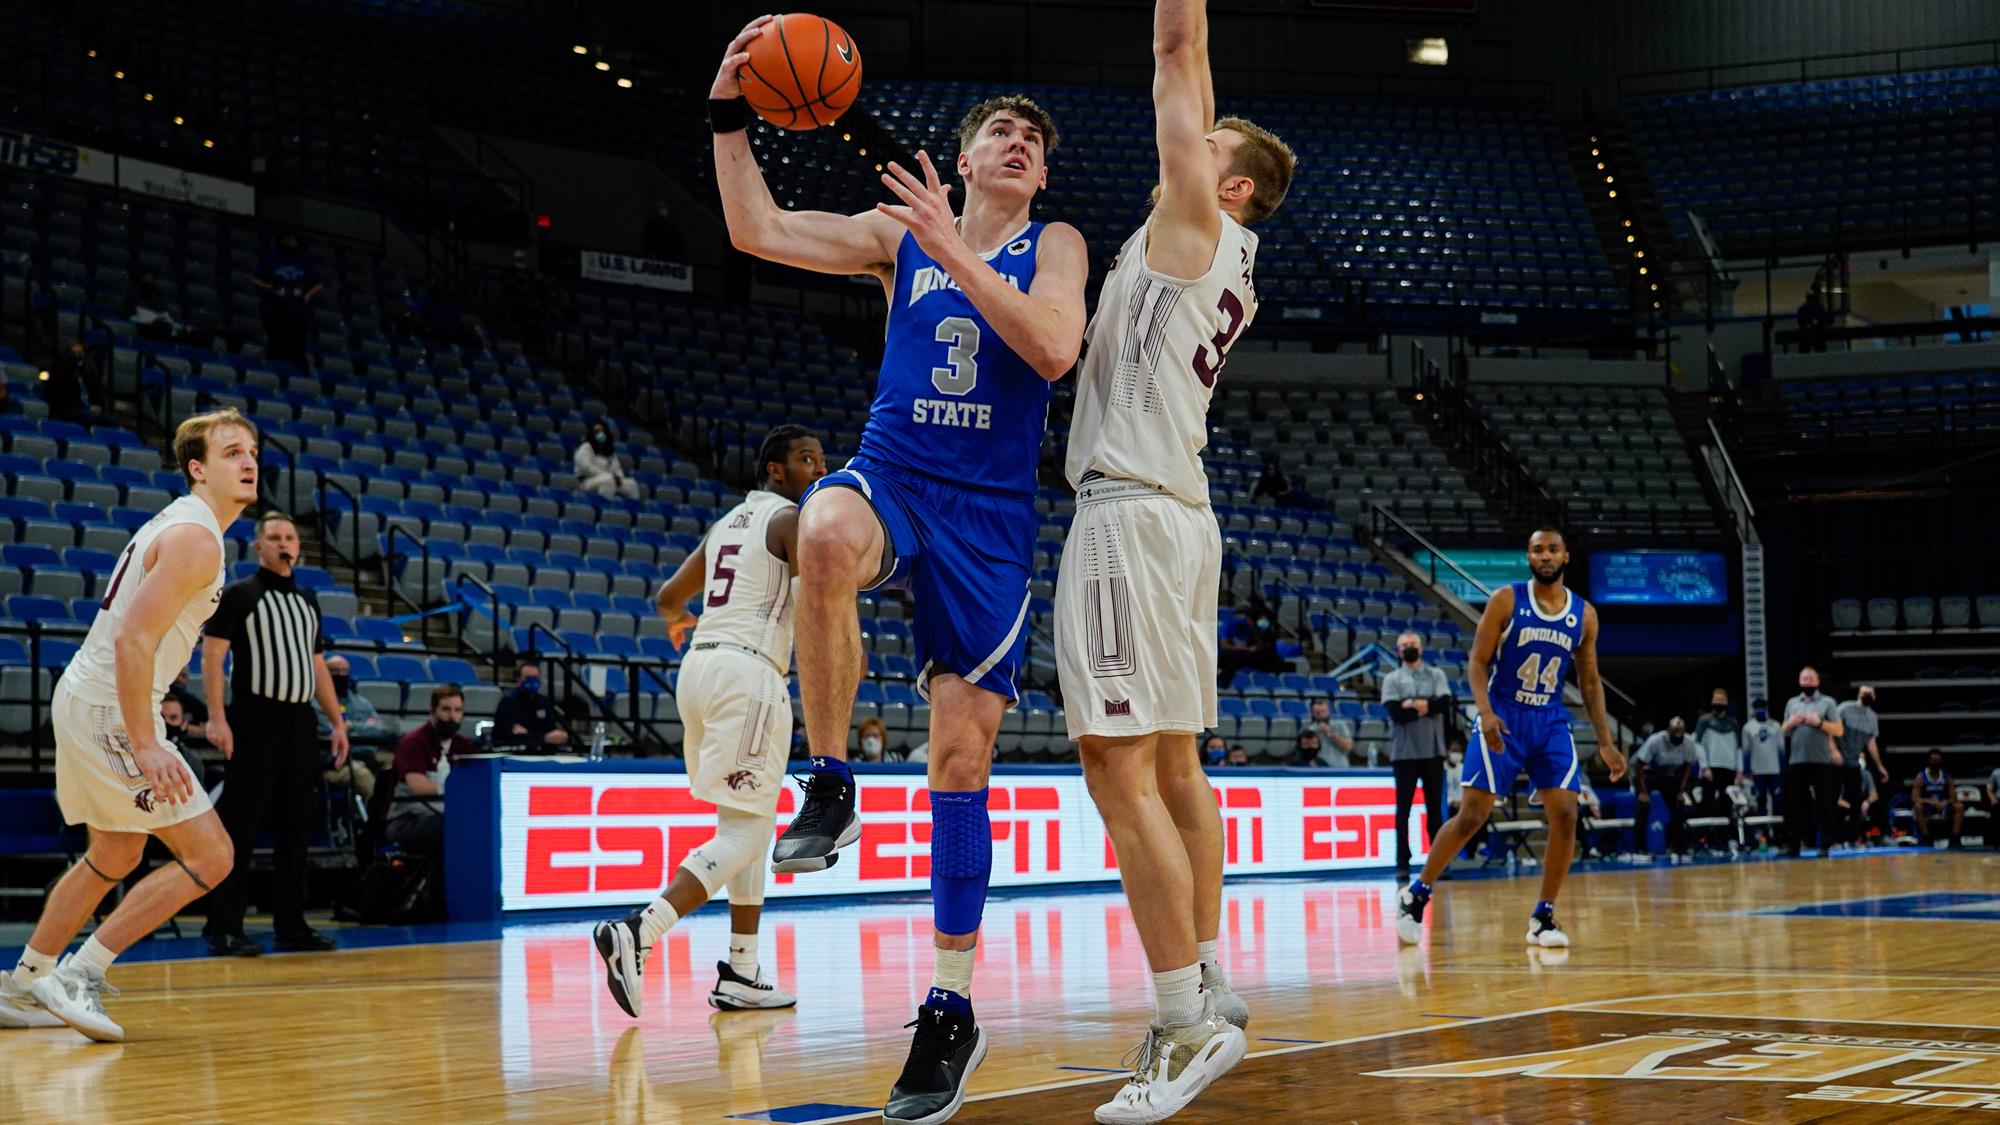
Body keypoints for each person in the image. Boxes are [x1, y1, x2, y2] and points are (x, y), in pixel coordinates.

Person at [710, 14, 1091, 1119]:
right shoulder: (896, 235)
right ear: (962, 158)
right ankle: (830, 780)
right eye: (1000, 133)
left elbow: (1052, 348)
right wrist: (726, 112)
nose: (1018, 144)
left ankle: (949, 1006)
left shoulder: (1054, 243)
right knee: (821, 531)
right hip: (894, 471)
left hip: (989, 514)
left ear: (1039, 175)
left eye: (1032, 140)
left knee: (960, 763)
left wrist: (954, 248)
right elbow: (753, 228)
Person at [1057, 5, 1295, 1117]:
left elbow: (1176, 52)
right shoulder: (1212, 247)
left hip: (1129, 515)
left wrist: (1180, 38)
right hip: (1180, 515)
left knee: (1116, 769)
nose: (1186, 144)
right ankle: (1205, 971)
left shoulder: (1195, 221)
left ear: (1228, 184)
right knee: (1173, 764)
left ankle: (1182, 1021)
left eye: (1207, 145)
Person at [0, 411, 257, 1042]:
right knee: (212, 856)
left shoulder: (182, 523)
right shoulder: (197, 538)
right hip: (111, 708)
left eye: (251, 451)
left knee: (116, 851)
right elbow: (134, 638)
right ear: (198, 468)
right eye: (231, 452)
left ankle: (24, 981)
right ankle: (79, 974)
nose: (248, 462)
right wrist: (145, 742)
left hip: (87, 695)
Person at [593, 425, 825, 1019]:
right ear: (776, 470)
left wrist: (679, 621)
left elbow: (668, 599)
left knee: (747, 826)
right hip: (749, 673)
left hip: (699, 670)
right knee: (746, 835)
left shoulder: (726, 524)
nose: (820, 471)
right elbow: (818, 607)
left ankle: (743, 971)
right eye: (807, 460)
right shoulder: (790, 521)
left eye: (823, 461)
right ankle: (640, 930)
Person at [1397, 528, 1625, 950]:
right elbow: (1477, 662)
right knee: (1472, 815)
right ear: (1529, 556)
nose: (1545, 555)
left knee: (1566, 814)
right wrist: (1485, 713)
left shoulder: (1584, 614)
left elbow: (1590, 682)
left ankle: (1543, 916)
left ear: (1566, 556)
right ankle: (1417, 893)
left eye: (1553, 549)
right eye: (1538, 549)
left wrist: (1606, 742)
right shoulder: (1507, 600)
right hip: (1504, 714)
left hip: (1549, 719)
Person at [201, 511, 348, 957]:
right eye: (275, 537)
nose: (284, 544)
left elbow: (316, 665)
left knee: (296, 827)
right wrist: (216, 716)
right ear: (258, 547)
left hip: (299, 722)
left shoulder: (307, 601)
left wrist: (337, 721)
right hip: (253, 718)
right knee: (239, 825)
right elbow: (213, 656)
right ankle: (225, 926)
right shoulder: (240, 595)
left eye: (290, 537)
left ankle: (292, 925)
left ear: (298, 547)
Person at [1380, 631, 1452, 879]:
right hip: (1404, 755)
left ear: (1421, 648)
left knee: (1435, 811)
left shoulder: (1437, 674)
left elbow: (1444, 704)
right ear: (1398, 651)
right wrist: (1426, 706)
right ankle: (1402, 863)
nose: (1409, 647)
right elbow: (1396, 713)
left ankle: (1438, 863)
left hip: (1433, 752)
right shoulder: (1391, 679)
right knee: (1403, 811)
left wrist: (1412, 704)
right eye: (1404, 645)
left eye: (1413, 644)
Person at [388, 686, 477, 851]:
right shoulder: (413, 743)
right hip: (408, 819)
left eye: (458, 710)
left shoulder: (464, 745)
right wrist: (456, 788)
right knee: (455, 826)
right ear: (432, 711)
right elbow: (418, 787)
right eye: (446, 709)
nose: (452, 716)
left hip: (449, 814)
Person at [1781, 666, 1846, 858]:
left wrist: (1819, 723)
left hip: (1821, 761)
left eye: (1811, 678)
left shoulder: (1828, 703)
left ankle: (1825, 844)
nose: (1807, 681)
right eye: (1804, 678)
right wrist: (1791, 722)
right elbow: (1782, 731)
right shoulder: (1792, 703)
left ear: (1817, 682)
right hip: (1797, 760)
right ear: (1799, 681)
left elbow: (1839, 730)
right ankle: (1794, 845)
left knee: (1824, 803)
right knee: (1795, 804)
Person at [252, 230, 322, 371]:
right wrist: (268, 287)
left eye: (293, 240)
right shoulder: (271, 259)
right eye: (288, 240)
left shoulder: (304, 260)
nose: (291, 243)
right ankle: (273, 370)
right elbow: (255, 279)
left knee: (298, 345)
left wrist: (308, 295)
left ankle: (300, 373)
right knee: (276, 342)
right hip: (275, 308)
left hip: (297, 310)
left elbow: (318, 283)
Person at [1632, 717, 1699, 858]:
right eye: (1675, 734)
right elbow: (1639, 765)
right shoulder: (1656, 740)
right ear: (1668, 731)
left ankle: (1678, 847)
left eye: (1680, 734)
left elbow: (1687, 767)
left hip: (1669, 775)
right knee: (1643, 805)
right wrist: (1643, 792)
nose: (1677, 737)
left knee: (1678, 805)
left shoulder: (1688, 742)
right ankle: (1640, 849)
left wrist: (1680, 792)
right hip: (1647, 774)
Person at [1834, 684, 1889, 849]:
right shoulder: (1845, 708)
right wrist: (1833, 752)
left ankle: (1853, 840)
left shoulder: (1872, 717)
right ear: (1858, 694)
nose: (1867, 696)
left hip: (1853, 764)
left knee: (1857, 801)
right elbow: (1831, 730)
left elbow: (1871, 742)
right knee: (1832, 800)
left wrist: (1879, 766)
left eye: (1870, 694)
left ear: (1874, 697)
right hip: (1837, 762)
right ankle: (1834, 840)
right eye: (1864, 693)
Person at [493, 662, 569, 750]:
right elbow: (513, 735)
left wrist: (557, 736)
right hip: (512, 750)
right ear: (518, 679)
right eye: (528, 677)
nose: (532, 681)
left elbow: (551, 729)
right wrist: (544, 738)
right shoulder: (508, 701)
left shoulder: (544, 702)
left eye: (535, 678)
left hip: (540, 750)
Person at [1693, 688, 1741, 818]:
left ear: (1727, 702)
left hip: (1729, 768)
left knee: (1726, 804)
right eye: (1717, 700)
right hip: (1711, 768)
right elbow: (1698, 745)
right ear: (1712, 702)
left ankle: (1725, 830)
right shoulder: (1704, 720)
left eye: (1722, 700)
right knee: (1707, 803)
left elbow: (1738, 748)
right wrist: (1704, 767)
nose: (1719, 703)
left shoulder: (1733, 722)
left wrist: (1739, 769)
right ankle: (1706, 830)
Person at [1217, 600, 1285, 688]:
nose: (1244, 617)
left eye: (1246, 614)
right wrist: (1247, 649)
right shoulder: (1228, 626)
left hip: (1243, 655)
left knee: (1267, 657)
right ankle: (1221, 680)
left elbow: (1260, 647)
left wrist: (1253, 629)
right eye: (1241, 614)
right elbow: (1224, 646)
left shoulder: (1249, 629)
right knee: (1235, 658)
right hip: (1226, 655)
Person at [575, 421, 642, 501]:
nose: (600, 434)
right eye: (597, 431)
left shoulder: (610, 452)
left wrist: (619, 478)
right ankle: (606, 506)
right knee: (608, 479)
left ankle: (631, 507)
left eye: (602, 431)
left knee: (632, 484)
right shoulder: (586, 448)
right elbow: (587, 468)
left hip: (610, 479)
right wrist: (608, 476)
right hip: (587, 481)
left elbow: (617, 469)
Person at [42, 341, 105, 426]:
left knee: (111, 420)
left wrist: (98, 407)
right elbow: (59, 398)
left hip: (87, 409)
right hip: (67, 409)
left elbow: (98, 396)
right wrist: (86, 408)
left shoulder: (89, 374)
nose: (77, 355)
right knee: (86, 416)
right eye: (73, 353)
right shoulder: (60, 371)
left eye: (80, 353)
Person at [1911, 750, 1962, 848]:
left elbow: (1954, 798)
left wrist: (1945, 802)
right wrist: (1930, 802)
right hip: (1927, 807)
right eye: (1933, 760)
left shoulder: (1946, 777)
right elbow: (1914, 798)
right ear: (1929, 761)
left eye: (1937, 761)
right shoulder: (1921, 776)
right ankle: (1927, 837)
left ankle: (1954, 837)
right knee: (1917, 807)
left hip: (1943, 806)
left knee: (1959, 807)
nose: (1935, 763)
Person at [1740, 697, 1782, 815]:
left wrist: (1783, 768)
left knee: (1778, 800)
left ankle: (1778, 826)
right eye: (1757, 707)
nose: (1760, 710)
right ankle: (1762, 826)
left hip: (1774, 770)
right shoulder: (1748, 727)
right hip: (1757, 770)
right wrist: (1746, 771)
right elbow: (1746, 751)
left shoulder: (1776, 726)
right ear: (1754, 709)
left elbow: (1781, 749)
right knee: (1760, 800)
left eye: (1762, 707)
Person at [1304, 698, 1356, 764]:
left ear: (1329, 711)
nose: (1321, 715)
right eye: (1318, 713)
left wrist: (1329, 732)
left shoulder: (1340, 724)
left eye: (1323, 712)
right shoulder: (1311, 729)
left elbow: (1348, 747)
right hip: (1321, 767)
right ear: (1313, 714)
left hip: (1341, 766)